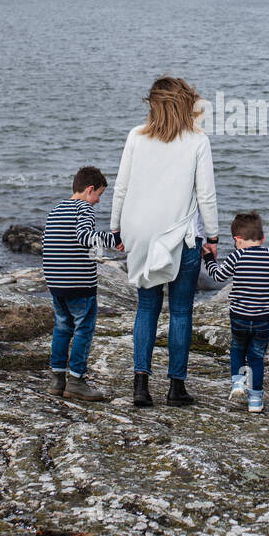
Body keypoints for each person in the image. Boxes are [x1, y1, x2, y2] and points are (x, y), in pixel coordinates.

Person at [110, 76, 220, 407]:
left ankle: (141, 386)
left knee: (147, 307)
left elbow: (121, 187)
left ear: (153, 105)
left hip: (142, 236)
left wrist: (115, 229)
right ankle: (176, 387)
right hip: (183, 239)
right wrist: (213, 237)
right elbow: (206, 195)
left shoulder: (135, 137)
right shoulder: (197, 140)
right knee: (181, 311)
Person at [203, 211, 269, 413]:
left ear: (237, 240)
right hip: (264, 318)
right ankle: (255, 400)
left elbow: (217, 276)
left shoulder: (236, 257)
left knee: (238, 349)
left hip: (239, 315)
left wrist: (209, 258)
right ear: (262, 238)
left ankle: (238, 384)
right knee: (256, 356)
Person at [41, 166, 123, 401]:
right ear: (89, 190)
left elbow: (48, 243)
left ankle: (57, 379)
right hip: (79, 283)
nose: (98, 201)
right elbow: (85, 238)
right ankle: (76, 380)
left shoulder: (56, 210)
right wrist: (115, 238)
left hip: (56, 283)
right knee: (83, 329)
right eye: (99, 195)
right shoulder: (84, 208)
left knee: (62, 328)